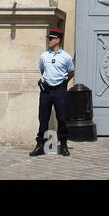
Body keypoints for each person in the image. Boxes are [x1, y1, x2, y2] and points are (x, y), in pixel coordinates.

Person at [30, 28, 74, 157]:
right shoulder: (44, 56)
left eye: (51, 38)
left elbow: (71, 72)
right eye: (49, 38)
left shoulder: (66, 57)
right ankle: (40, 145)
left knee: (62, 118)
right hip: (46, 91)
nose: (49, 41)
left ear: (58, 40)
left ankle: (63, 144)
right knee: (43, 118)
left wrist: (63, 82)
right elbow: (42, 70)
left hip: (60, 91)